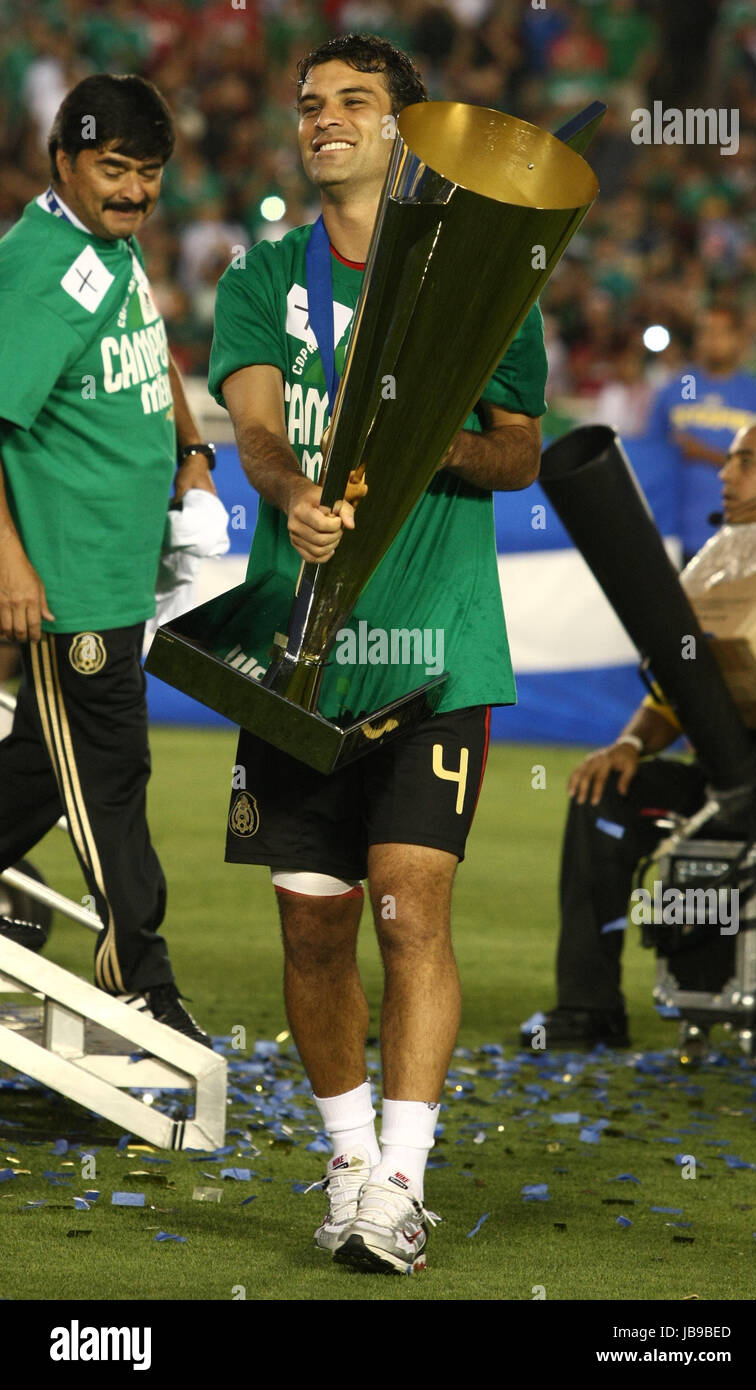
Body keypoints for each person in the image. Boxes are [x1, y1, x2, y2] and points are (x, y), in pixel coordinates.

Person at [208, 33, 547, 1273]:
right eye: (310, 103)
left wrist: (432, 449)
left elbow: (520, 447)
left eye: (355, 101)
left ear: (407, 129)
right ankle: (347, 1160)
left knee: (410, 908)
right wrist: (295, 486)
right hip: (297, 651)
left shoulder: (485, 278)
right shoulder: (259, 275)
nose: (324, 118)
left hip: (436, 647)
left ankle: (401, 1182)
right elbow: (251, 425)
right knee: (312, 931)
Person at [0, 74, 216, 1047]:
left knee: (48, 773)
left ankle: (140, 975)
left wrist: (194, 457)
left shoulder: (110, 249)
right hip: (68, 586)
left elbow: (152, 347)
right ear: (64, 163)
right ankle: (141, 983)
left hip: (117, 578)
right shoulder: (41, 267)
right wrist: (9, 564)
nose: (134, 191)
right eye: (114, 170)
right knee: (112, 773)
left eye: (149, 173)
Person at [530, 412, 756, 1050]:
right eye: (727, 459)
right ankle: (588, 1009)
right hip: (728, 783)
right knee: (605, 796)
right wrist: (631, 743)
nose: (724, 474)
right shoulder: (717, 564)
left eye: (745, 461)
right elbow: (678, 688)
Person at [643, 304, 756, 560]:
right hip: (672, 532)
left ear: (738, 338)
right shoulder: (673, 390)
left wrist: (702, 453)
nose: (712, 340)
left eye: (721, 332)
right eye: (705, 331)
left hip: (737, 533)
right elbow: (650, 456)